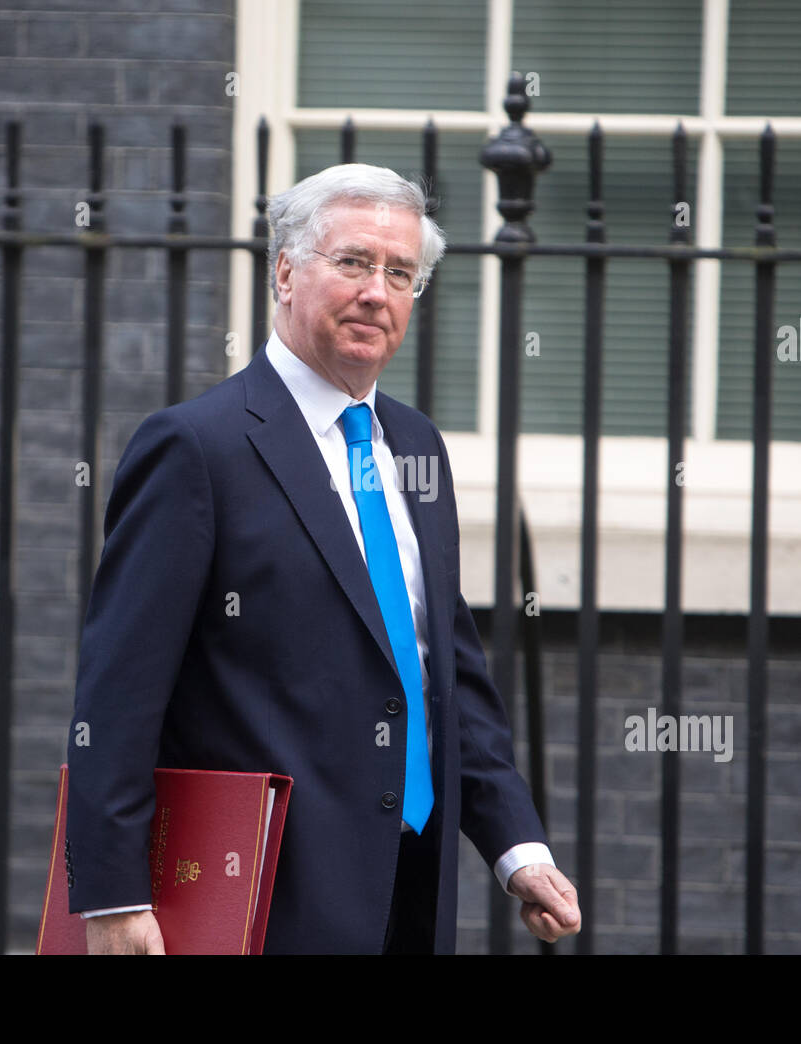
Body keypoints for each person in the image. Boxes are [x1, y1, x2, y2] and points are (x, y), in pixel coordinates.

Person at [65, 163, 581, 954]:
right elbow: (119, 689)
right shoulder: (197, 448)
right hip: (264, 897)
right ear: (284, 271)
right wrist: (112, 894)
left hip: (411, 889)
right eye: (352, 262)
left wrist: (518, 848)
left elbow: (443, 671)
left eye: (400, 272)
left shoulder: (416, 447)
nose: (378, 291)